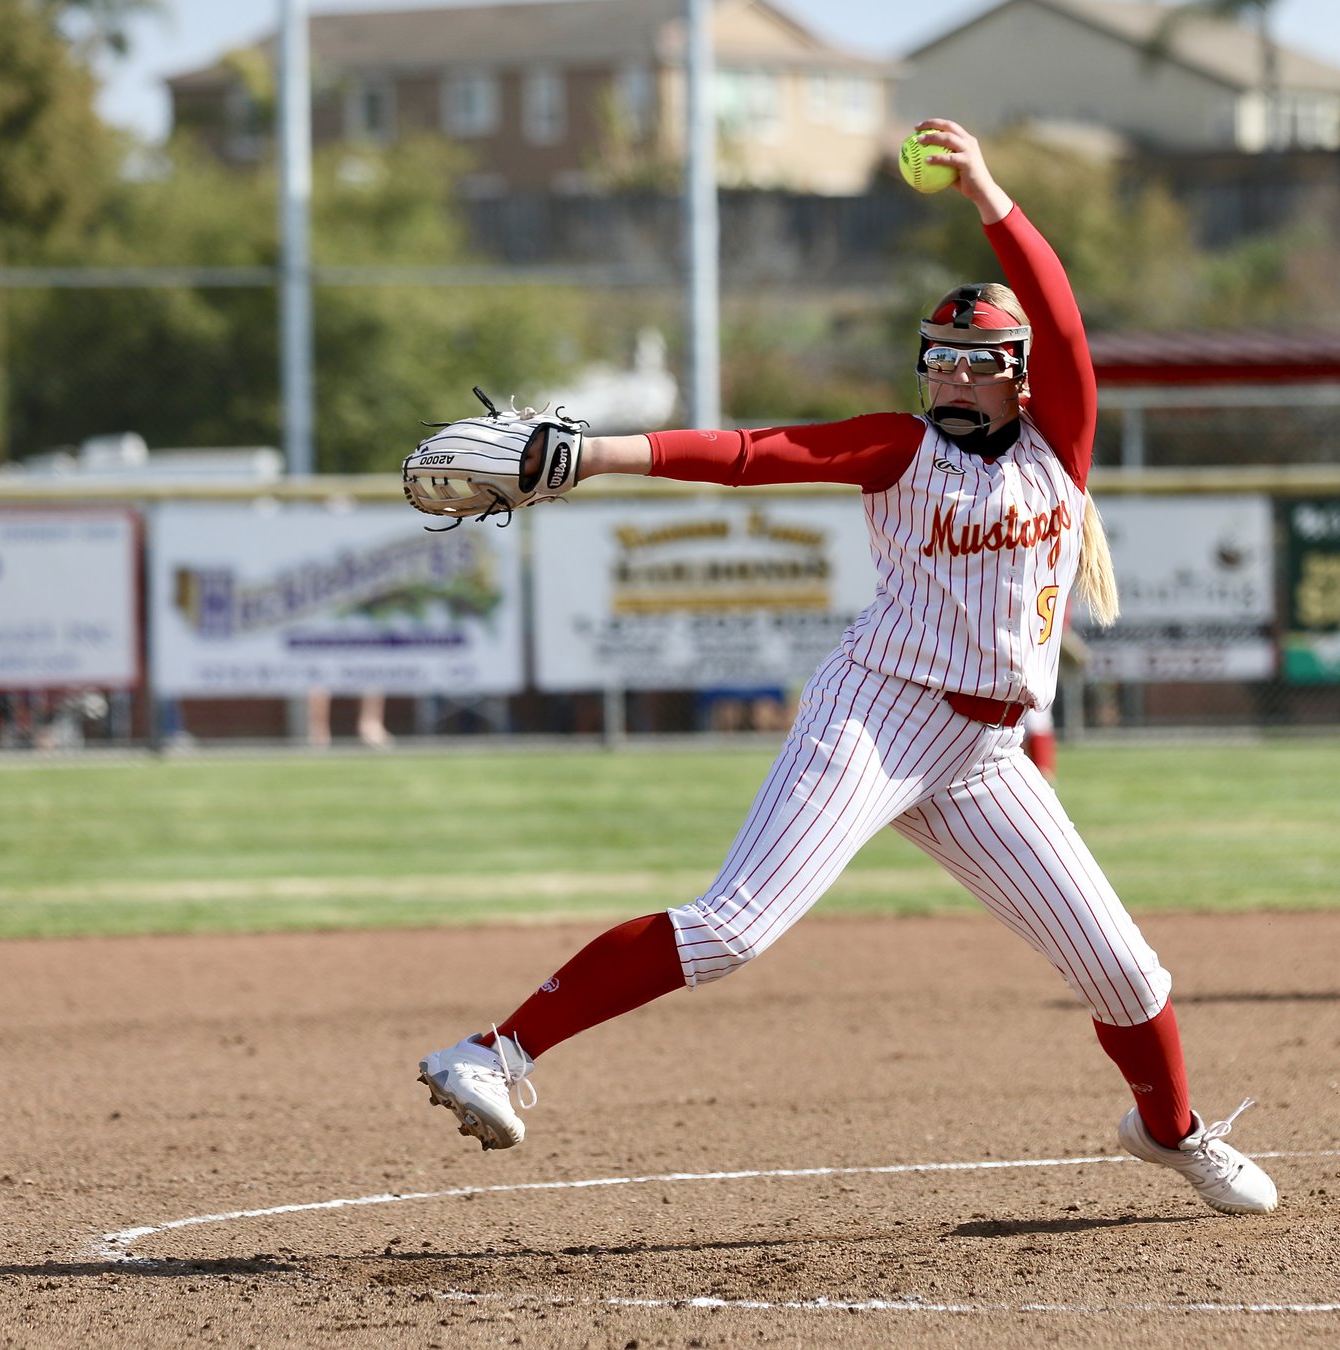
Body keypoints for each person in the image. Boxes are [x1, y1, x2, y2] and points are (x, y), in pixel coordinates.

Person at [417, 120, 1277, 1216]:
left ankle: (1172, 1133)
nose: (957, 376)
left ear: (1019, 379)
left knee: (1124, 973)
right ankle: (493, 1050)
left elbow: (1057, 312)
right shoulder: (898, 446)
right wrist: (597, 452)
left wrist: (988, 194)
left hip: (982, 751)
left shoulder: (1057, 446)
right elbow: (747, 454)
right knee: (733, 926)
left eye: (980, 362)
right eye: (941, 357)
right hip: (878, 715)